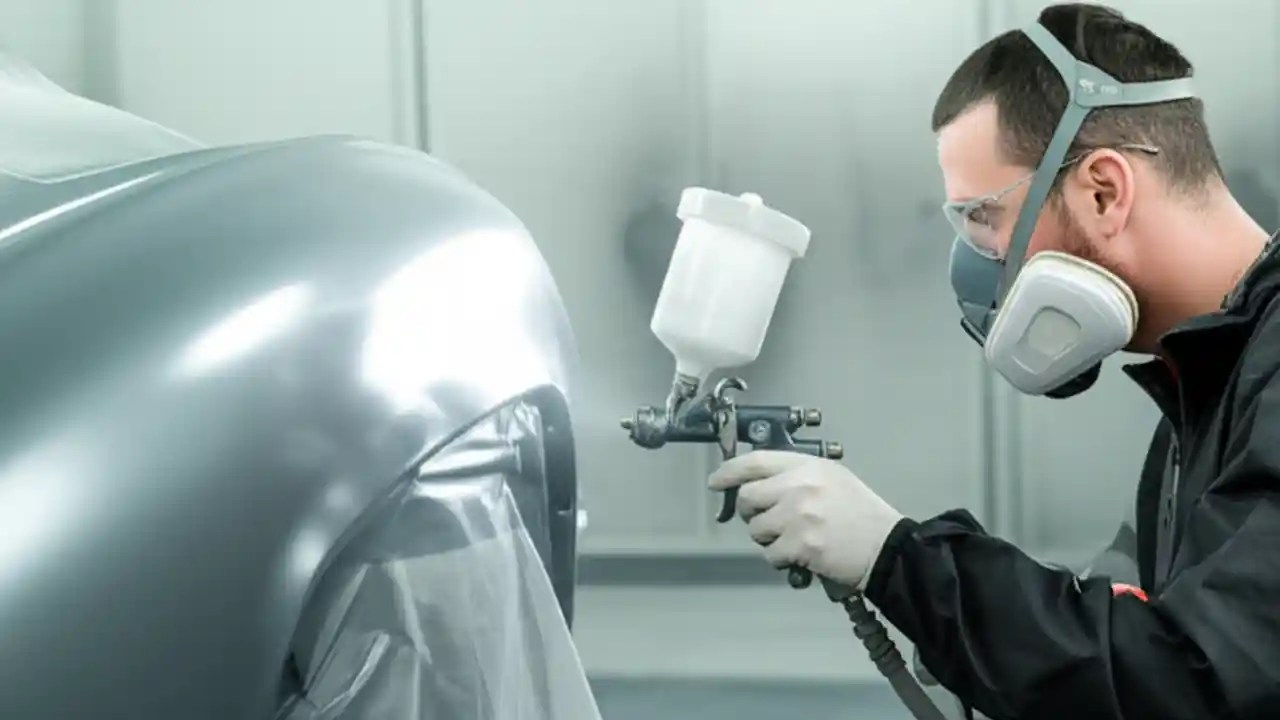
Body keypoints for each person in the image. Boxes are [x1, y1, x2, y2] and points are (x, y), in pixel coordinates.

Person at [708, 4, 1280, 719]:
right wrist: (976, 627)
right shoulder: (1205, 391)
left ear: (1103, 192)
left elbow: (1193, 684)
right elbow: (1139, 637)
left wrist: (902, 562)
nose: (980, 266)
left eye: (984, 218)